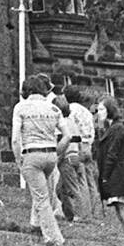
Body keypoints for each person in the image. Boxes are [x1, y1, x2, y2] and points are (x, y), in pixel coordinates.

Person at [11, 74, 68, 246]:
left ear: (26, 91)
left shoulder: (21, 107)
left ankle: (55, 239)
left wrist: (18, 158)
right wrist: (57, 152)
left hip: (31, 153)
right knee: (41, 191)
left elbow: (15, 139)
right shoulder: (54, 109)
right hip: (50, 155)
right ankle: (35, 224)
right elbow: (67, 136)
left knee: (42, 198)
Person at [94, 97, 124, 246]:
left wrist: (105, 177)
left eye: (101, 109)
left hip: (118, 176)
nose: (98, 112)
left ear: (109, 110)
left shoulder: (117, 128)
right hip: (114, 176)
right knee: (121, 215)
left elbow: (112, 154)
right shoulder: (110, 128)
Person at [64, 85, 101, 218]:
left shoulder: (72, 109)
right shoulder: (88, 112)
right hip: (88, 147)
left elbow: (71, 128)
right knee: (90, 181)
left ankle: (83, 212)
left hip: (78, 146)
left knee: (79, 180)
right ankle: (95, 211)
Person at [54, 92, 90, 222]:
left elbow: (64, 144)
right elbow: (78, 141)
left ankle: (81, 215)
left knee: (73, 188)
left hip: (67, 159)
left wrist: (58, 160)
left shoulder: (61, 125)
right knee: (60, 189)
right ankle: (68, 213)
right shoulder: (72, 121)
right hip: (76, 157)